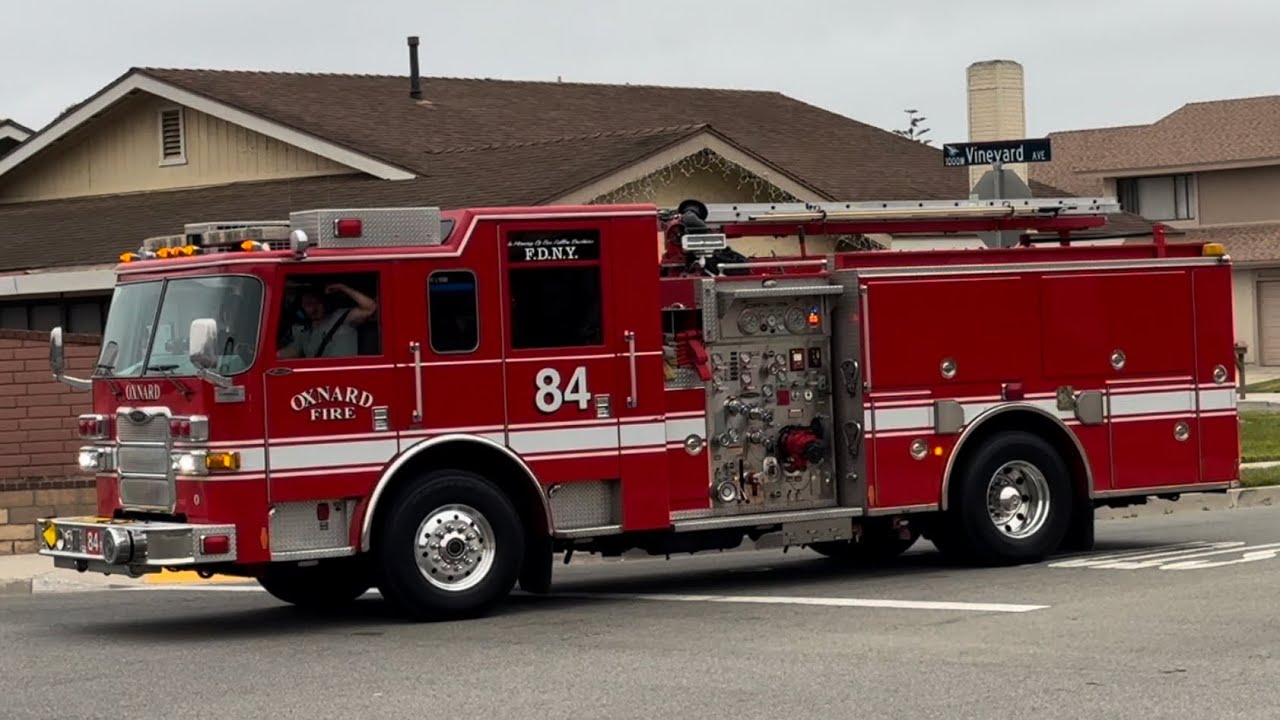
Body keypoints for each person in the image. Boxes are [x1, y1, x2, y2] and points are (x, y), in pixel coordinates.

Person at [278, 281, 377, 358]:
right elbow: (293, 351)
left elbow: (369, 307)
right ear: (301, 309)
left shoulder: (342, 317)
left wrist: (341, 287)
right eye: (309, 304)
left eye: (318, 302)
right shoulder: (304, 332)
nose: (315, 307)